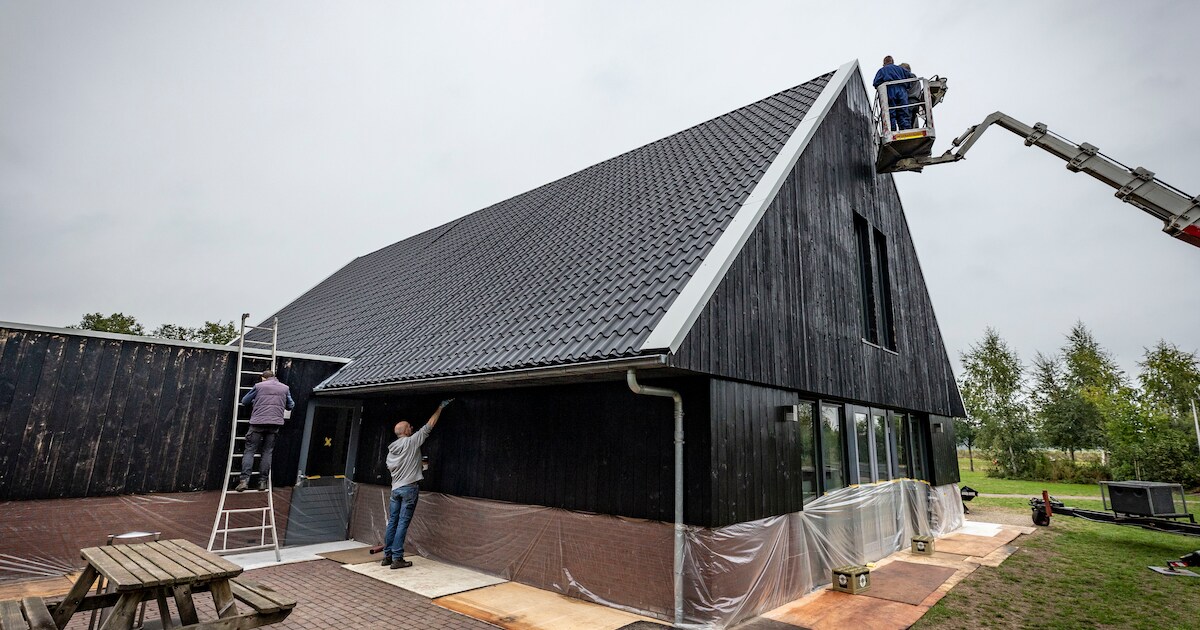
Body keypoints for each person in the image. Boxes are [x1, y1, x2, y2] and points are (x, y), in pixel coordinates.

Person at [382, 399, 453, 569]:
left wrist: (418, 465)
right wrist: (440, 407)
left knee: (392, 522)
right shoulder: (411, 442)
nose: (412, 427)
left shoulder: (392, 450)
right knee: (402, 523)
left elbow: (399, 465)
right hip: (409, 489)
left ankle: (387, 556)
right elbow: (430, 425)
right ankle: (398, 558)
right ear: (405, 431)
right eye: (410, 427)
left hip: (395, 489)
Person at [236, 370, 294, 492]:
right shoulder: (285, 388)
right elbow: (290, 405)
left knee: (250, 450)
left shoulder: (259, 386)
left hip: (257, 423)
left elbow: (244, 401)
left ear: (263, 378)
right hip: (274, 425)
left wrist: (255, 402)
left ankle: (244, 480)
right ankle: (262, 482)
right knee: (267, 452)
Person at [872, 55, 911, 130]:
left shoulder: (882, 70)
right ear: (892, 61)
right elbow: (909, 79)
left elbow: (876, 83)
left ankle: (892, 130)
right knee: (903, 111)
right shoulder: (901, 69)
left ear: (884, 63)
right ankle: (906, 129)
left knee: (891, 112)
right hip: (902, 91)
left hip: (890, 90)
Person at [899, 63, 923, 127]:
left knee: (906, 120)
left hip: (909, 101)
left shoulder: (908, 77)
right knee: (911, 120)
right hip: (916, 102)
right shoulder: (916, 79)